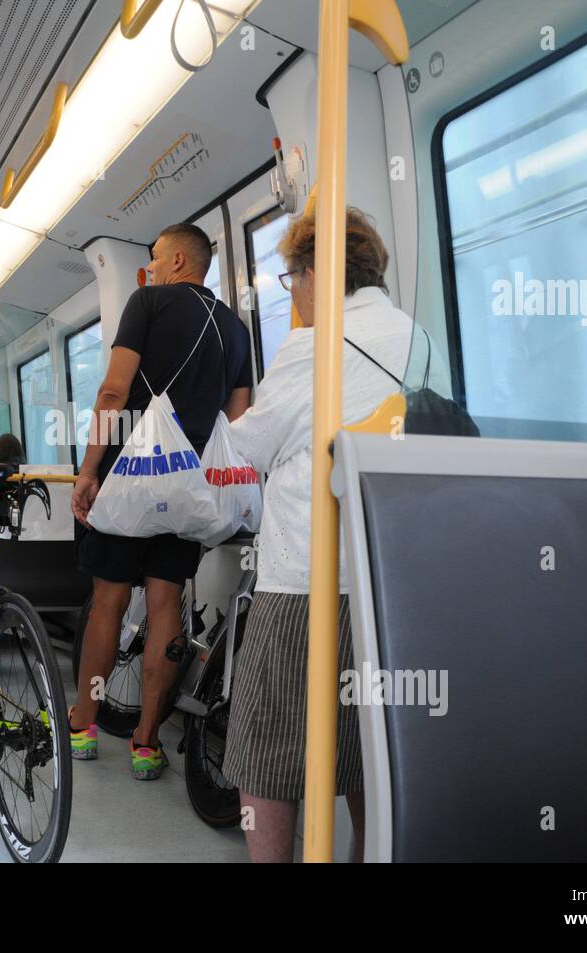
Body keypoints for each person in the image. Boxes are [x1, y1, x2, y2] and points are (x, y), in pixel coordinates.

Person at [222, 207, 416, 863]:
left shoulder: (312, 344)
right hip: (392, 582)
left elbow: (252, 442)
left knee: (262, 748)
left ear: (315, 273)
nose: (293, 294)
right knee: (368, 749)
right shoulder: (417, 339)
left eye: (291, 278)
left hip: (305, 578)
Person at [70, 222, 251, 780]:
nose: (147, 268)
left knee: (109, 603)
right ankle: (147, 741)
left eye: (153, 257)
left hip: (131, 482)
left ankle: (83, 726)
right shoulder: (235, 329)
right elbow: (239, 418)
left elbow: (113, 392)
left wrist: (89, 469)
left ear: (176, 261)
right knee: (165, 605)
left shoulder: (146, 301)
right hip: (190, 490)